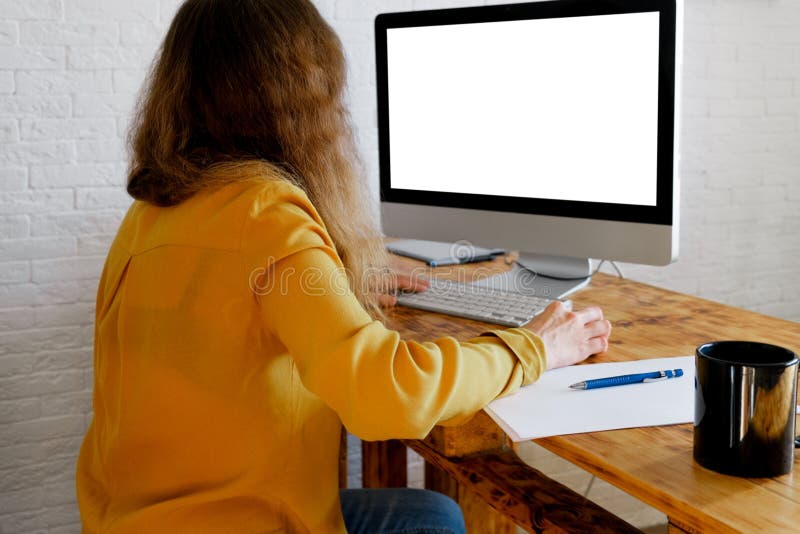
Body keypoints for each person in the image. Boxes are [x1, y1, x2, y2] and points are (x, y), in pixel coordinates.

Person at [75, 0, 612, 532]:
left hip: (132, 519)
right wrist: (535, 348)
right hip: (237, 521)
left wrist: (338, 284)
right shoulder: (264, 212)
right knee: (438, 522)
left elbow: (234, 311)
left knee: (433, 512)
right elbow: (384, 395)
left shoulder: (152, 210)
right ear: (302, 97)